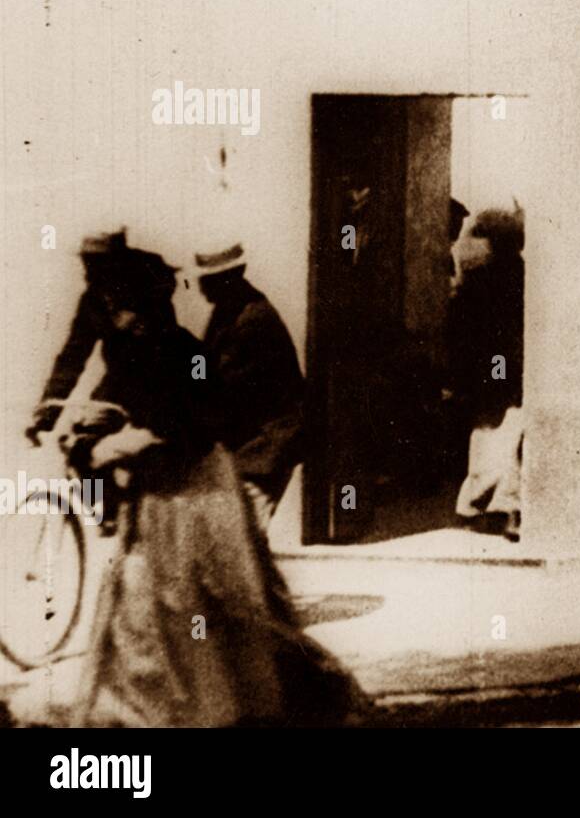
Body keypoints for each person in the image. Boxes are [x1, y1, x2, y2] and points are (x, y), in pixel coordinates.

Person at [74, 248, 365, 727]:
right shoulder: (133, 348)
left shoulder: (194, 345)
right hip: (162, 499)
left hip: (202, 493)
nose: (117, 316)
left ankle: (245, 702)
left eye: (123, 305)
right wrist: (99, 419)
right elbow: (127, 394)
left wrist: (132, 441)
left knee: (222, 603)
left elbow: (202, 421)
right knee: (152, 608)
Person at [196, 243, 305, 532]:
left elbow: (222, 387)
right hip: (248, 447)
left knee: (244, 542)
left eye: (207, 280)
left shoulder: (252, 321)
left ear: (229, 278)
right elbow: (204, 368)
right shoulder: (229, 310)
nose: (200, 287)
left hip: (266, 448)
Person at [450, 206, 526, 540]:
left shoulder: (478, 276)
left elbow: (462, 326)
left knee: (489, 428)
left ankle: (478, 502)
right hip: (504, 362)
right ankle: (498, 502)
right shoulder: (516, 273)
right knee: (506, 427)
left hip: (490, 364)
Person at [25, 229, 130, 445]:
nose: (90, 269)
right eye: (87, 260)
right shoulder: (93, 302)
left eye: (99, 261)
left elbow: (160, 351)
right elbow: (73, 355)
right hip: (118, 382)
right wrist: (47, 413)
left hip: (161, 383)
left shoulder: (148, 292)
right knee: (80, 441)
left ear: (117, 262)